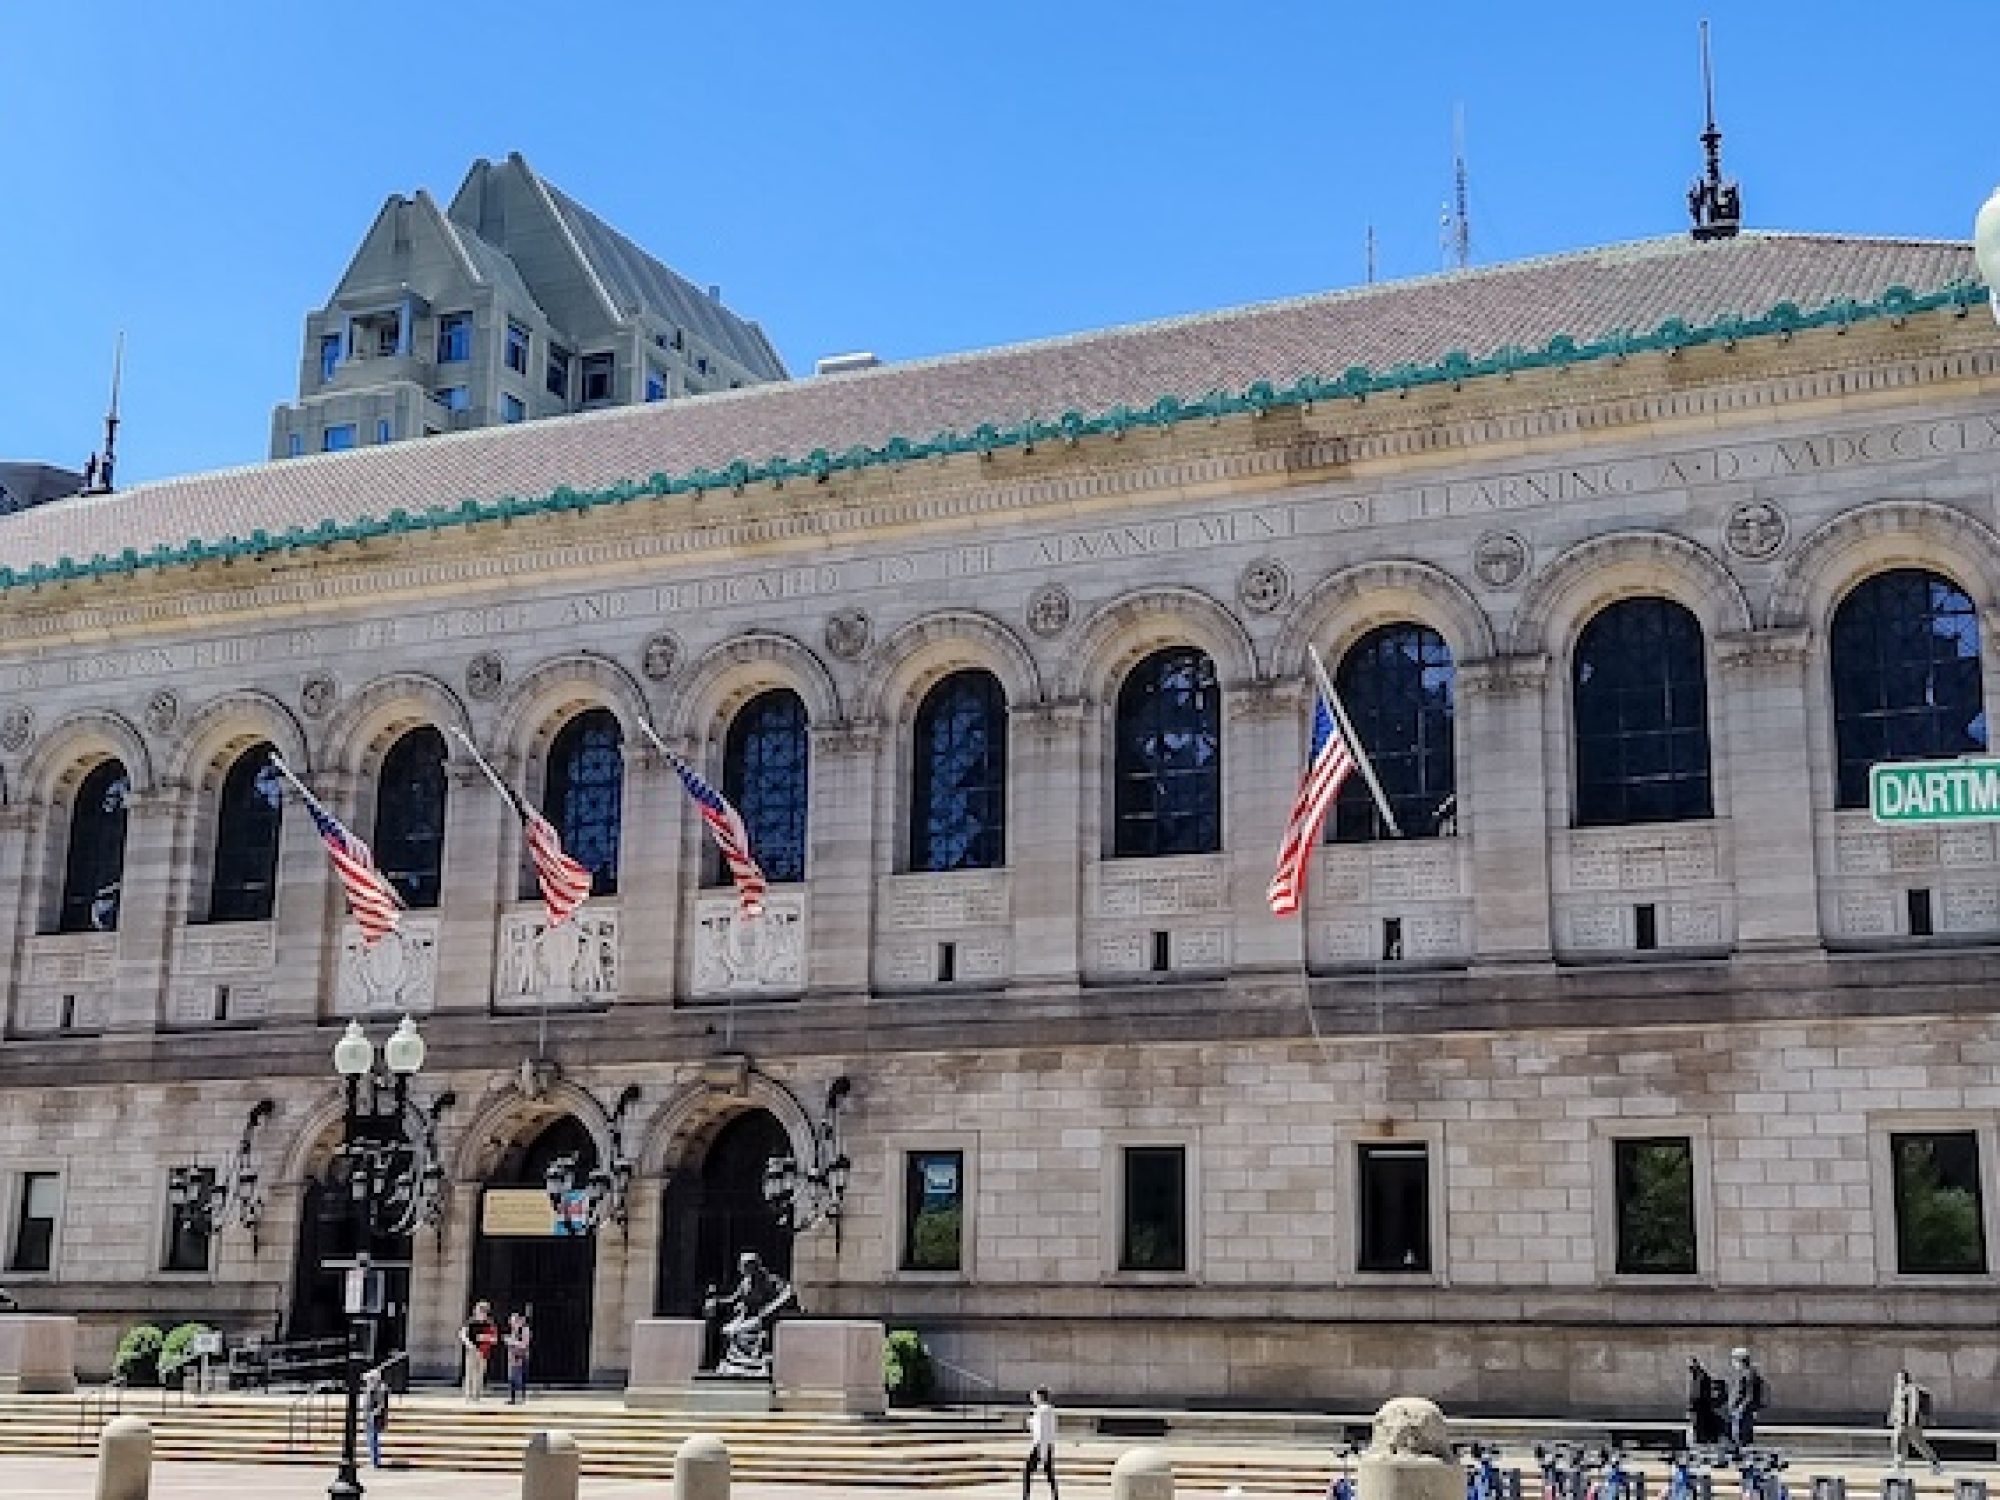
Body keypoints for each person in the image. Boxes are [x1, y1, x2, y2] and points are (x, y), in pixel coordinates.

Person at [1889, 1369, 1940, 1472]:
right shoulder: (1898, 1390)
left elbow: (1914, 1404)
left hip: (1910, 1423)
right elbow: (1895, 1405)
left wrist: (1912, 1420)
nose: (1899, 1381)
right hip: (1899, 1423)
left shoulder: (1911, 1389)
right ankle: (1899, 1465)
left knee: (1919, 1444)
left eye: (1900, 1378)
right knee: (1898, 1443)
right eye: (1898, 1379)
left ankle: (1934, 1461)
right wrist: (1892, 1417)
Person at [1726, 1347, 1766, 1453]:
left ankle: (1745, 1460)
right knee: (1742, 1436)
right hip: (1742, 1411)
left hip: (1743, 1412)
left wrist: (1740, 1409)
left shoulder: (1749, 1374)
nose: (1733, 1362)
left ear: (1740, 1360)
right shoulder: (1747, 1373)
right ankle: (1745, 1458)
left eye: (1734, 1359)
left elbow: (1749, 1395)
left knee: (1741, 1436)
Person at [1023, 1386, 1060, 1500]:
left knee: (1028, 1470)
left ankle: (1026, 1496)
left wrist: (1041, 1450)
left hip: (1040, 1444)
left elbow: (1041, 1431)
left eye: (1034, 1395)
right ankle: (1055, 1495)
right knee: (1049, 1472)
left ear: (1039, 1396)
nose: (1032, 1398)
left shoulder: (1041, 1410)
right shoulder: (1049, 1410)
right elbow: (1050, 1429)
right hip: (1047, 1444)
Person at [460, 1299, 497, 1402]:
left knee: (480, 1374)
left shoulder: (490, 1323)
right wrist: (469, 1343)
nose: (482, 1312)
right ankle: (468, 1395)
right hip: (472, 1350)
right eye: (480, 1309)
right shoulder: (470, 1322)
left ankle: (477, 1395)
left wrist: (485, 1338)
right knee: (470, 1373)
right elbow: (462, 1334)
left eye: (484, 1310)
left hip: (483, 1352)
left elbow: (494, 1339)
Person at [1686, 1356, 1723, 1447]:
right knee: (1698, 1426)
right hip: (1698, 1406)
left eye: (1691, 1366)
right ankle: (1701, 1441)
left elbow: (1698, 1393)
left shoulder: (1701, 1376)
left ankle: (1702, 1442)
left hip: (1701, 1406)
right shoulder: (1696, 1376)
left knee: (1701, 1426)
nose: (1690, 1369)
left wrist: (1692, 1406)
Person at [362, 1367, 389, 1469]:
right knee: (370, 1439)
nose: (368, 1381)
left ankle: (375, 1461)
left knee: (373, 1439)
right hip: (368, 1416)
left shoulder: (380, 1388)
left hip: (375, 1417)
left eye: (370, 1379)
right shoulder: (371, 1388)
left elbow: (381, 1404)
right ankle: (372, 1460)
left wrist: (373, 1414)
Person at [504, 1311, 533, 1404]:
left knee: (520, 1377)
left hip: (521, 1356)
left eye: (515, 1321)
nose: (513, 1324)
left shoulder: (525, 1330)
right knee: (512, 1378)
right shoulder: (513, 1331)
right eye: (511, 1322)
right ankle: (512, 1398)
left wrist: (511, 1342)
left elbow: (525, 1344)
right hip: (512, 1357)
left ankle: (521, 1397)